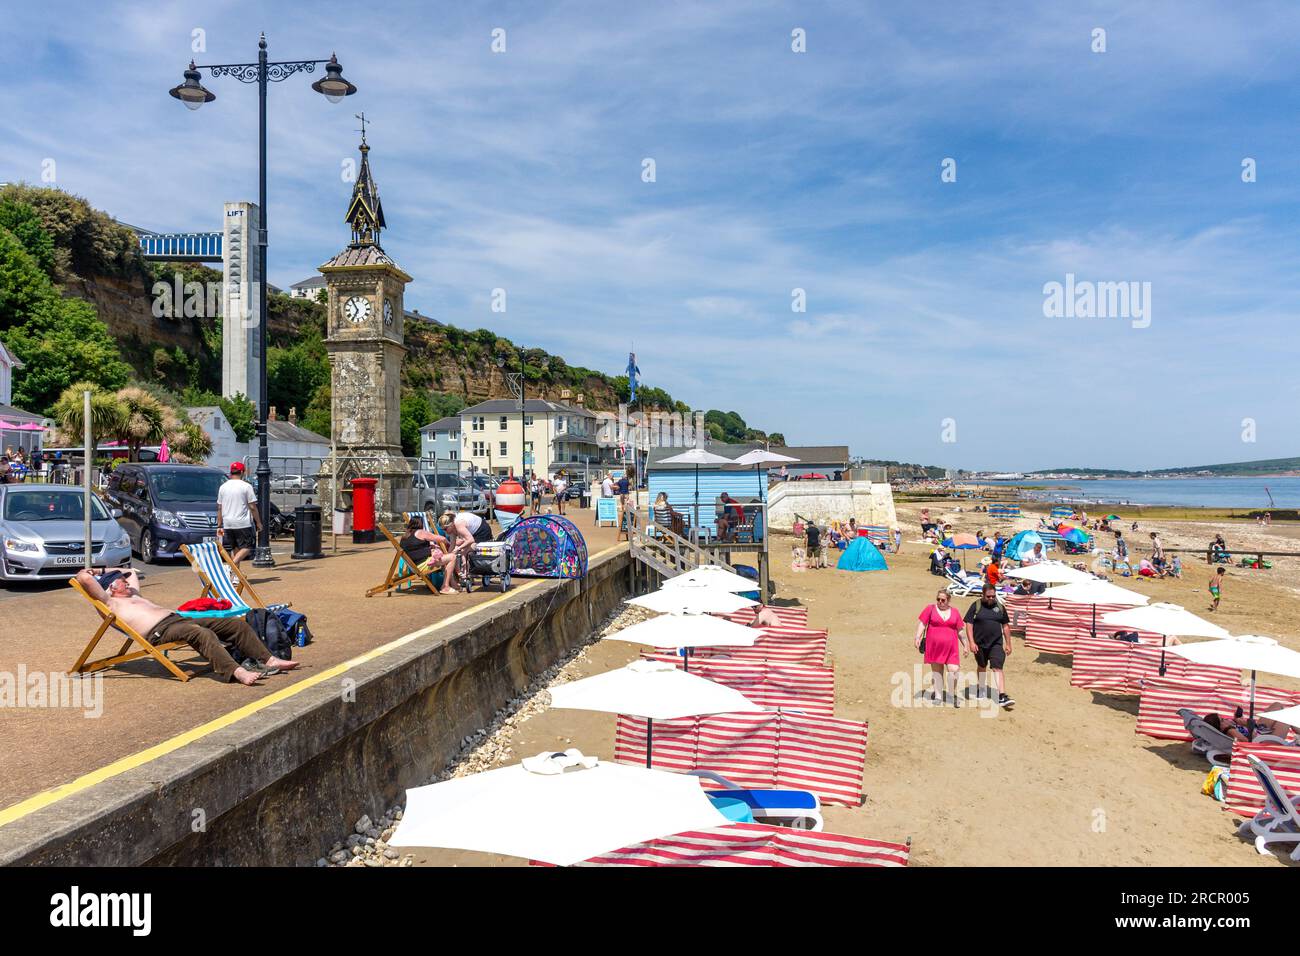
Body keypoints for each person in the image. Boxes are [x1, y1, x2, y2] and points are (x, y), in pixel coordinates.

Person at [75, 568, 298, 685]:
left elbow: (133, 571)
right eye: (120, 580)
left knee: (233, 625)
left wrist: (109, 569)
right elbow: (83, 578)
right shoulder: (110, 602)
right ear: (111, 587)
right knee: (201, 633)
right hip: (159, 632)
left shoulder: (133, 593)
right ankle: (236, 672)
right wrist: (98, 572)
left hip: (177, 619)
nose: (126, 581)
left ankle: (269, 659)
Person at [965, 584, 1013, 707]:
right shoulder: (976, 606)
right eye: (988, 596)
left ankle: (1002, 695)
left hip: (996, 643)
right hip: (979, 644)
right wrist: (971, 642)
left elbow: (1006, 626)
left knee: (997, 667)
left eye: (993, 596)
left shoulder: (1000, 607)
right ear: (983, 594)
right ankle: (981, 688)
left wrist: (1008, 643)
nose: (991, 598)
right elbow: (969, 624)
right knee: (982, 666)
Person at [915, 589, 964, 705]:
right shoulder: (930, 609)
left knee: (954, 670)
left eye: (943, 600)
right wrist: (917, 637)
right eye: (938, 599)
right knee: (937, 672)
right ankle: (938, 695)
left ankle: (951, 694)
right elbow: (922, 624)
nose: (940, 602)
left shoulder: (955, 612)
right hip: (934, 646)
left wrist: (965, 645)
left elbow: (960, 630)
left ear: (948, 600)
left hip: (951, 648)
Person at [216, 461, 262, 567]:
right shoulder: (246, 486)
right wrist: (258, 522)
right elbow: (252, 507)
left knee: (235, 549)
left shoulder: (223, 487)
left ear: (231, 472)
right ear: (242, 472)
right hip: (242, 523)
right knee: (248, 547)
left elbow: (220, 507)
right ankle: (230, 566)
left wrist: (219, 525)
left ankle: (235, 577)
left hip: (228, 523)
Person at [400, 516, 458, 593]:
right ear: (421, 524)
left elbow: (414, 548)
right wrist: (449, 543)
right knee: (452, 557)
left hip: (413, 566)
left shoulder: (405, 536)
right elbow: (442, 539)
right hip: (423, 565)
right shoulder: (420, 532)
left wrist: (429, 548)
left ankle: (453, 584)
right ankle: (445, 587)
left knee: (444, 559)